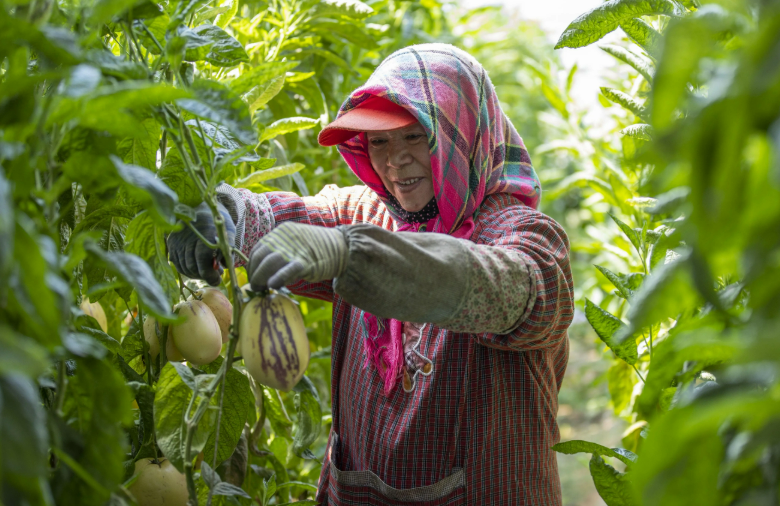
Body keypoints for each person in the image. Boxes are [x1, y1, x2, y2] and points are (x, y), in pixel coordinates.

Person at [168, 44, 573, 505]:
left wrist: (354, 254)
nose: (395, 160)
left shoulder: (524, 235)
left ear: (463, 134)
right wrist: (226, 216)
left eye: (415, 137)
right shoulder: (370, 213)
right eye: (379, 142)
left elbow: (510, 288)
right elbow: (292, 215)